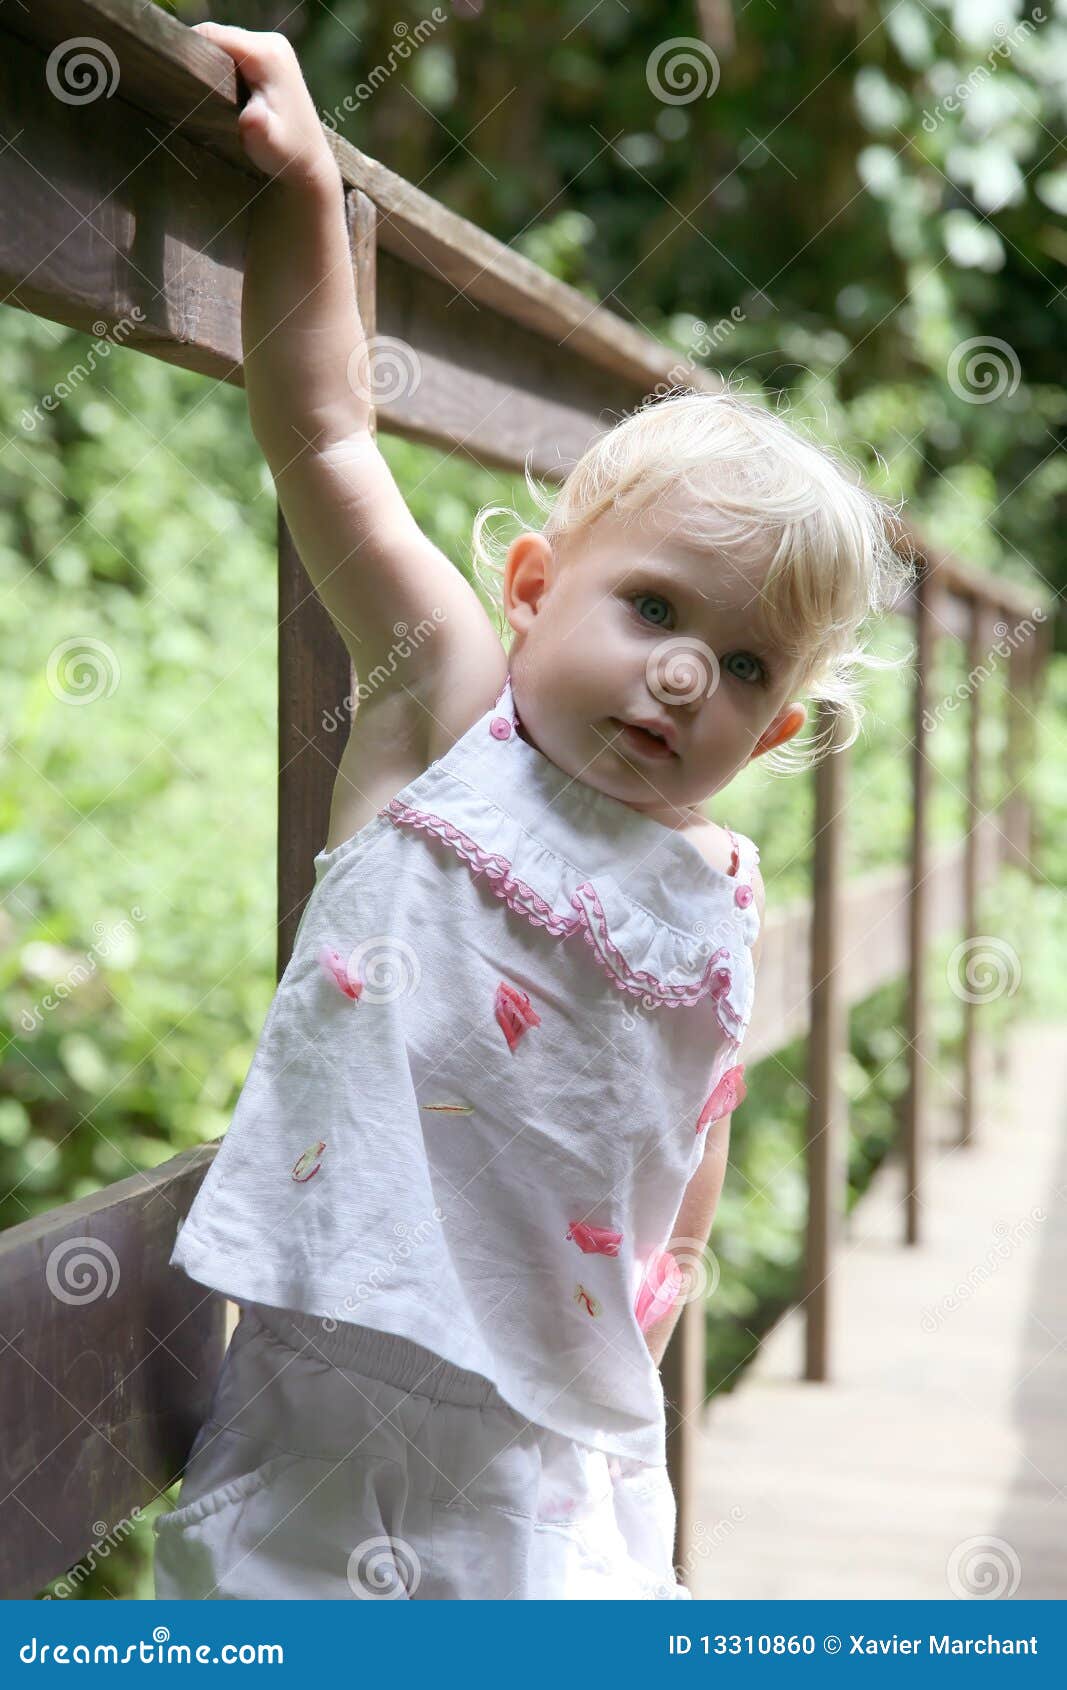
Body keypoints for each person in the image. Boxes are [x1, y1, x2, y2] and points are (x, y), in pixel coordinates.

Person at [153, 23, 913, 1601]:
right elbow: (328, 434)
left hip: (550, 1457)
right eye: (651, 608)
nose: (684, 676)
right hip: (327, 1391)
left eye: (746, 662)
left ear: (773, 727)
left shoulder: (716, 883)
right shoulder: (449, 711)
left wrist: (680, 1264)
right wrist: (300, 186)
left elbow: (695, 1106)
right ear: (531, 583)